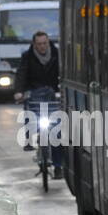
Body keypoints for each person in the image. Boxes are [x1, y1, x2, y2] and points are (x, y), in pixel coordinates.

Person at [14, 31, 64, 179]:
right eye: (39, 44)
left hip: (52, 95)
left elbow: (63, 72)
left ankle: (58, 166)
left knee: (57, 132)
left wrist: (61, 88)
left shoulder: (57, 54)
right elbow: (21, 73)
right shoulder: (27, 56)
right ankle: (29, 139)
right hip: (35, 93)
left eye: (45, 43)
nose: (42, 46)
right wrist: (19, 91)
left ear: (48, 43)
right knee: (29, 112)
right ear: (34, 44)